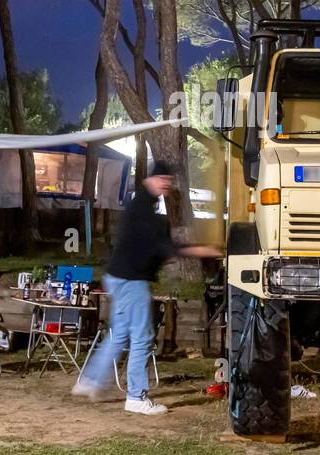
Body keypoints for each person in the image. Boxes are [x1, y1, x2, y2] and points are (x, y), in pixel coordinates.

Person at [72, 161, 219, 414]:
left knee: (119, 334)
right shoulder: (144, 209)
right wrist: (200, 250)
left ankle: (91, 380)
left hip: (118, 277)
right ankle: (136, 397)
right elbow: (162, 248)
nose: (165, 182)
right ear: (147, 180)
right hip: (131, 280)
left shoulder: (142, 205)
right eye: (161, 178)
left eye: (168, 179)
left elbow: (156, 245)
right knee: (142, 338)